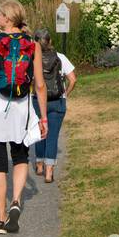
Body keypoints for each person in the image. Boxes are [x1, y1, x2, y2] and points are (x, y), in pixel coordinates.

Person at [0, 0, 47, 235]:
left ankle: (2, 218)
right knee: (21, 155)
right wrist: (43, 117)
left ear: (7, 17)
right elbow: (40, 84)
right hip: (21, 106)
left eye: (0, 15)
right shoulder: (32, 44)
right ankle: (16, 200)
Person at [31, 29, 77, 184]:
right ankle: (49, 171)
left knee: (39, 132)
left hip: (37, 100)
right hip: (57, 101)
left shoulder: (32, 58)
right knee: (52, 135)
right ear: (50, 41)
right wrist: (65, 94)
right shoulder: (60, 57)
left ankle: (39, 164)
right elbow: (73, 79)